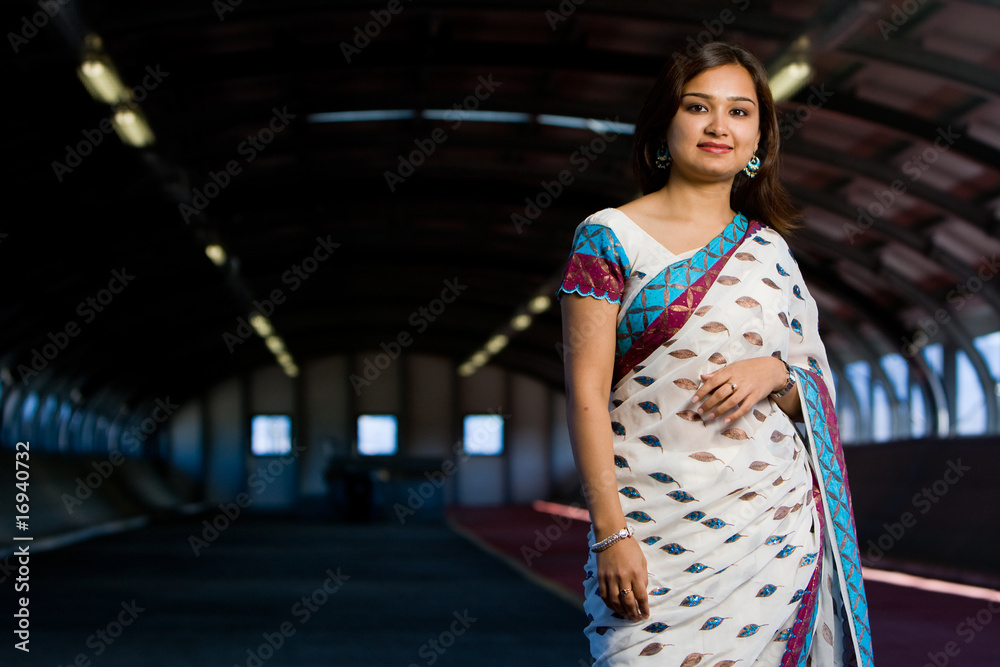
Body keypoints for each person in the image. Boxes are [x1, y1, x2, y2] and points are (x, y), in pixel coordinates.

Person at [558, 42, 874, 666]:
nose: (718, 126)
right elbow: (586, 394)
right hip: (649, 529)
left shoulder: (772, 254)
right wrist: (610, 534)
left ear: (759, 137)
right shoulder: (608, 236)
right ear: (663, 126)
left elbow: (816, 388)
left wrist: (780, 373)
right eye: (698, 107)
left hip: (772, 531)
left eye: (739, 111)